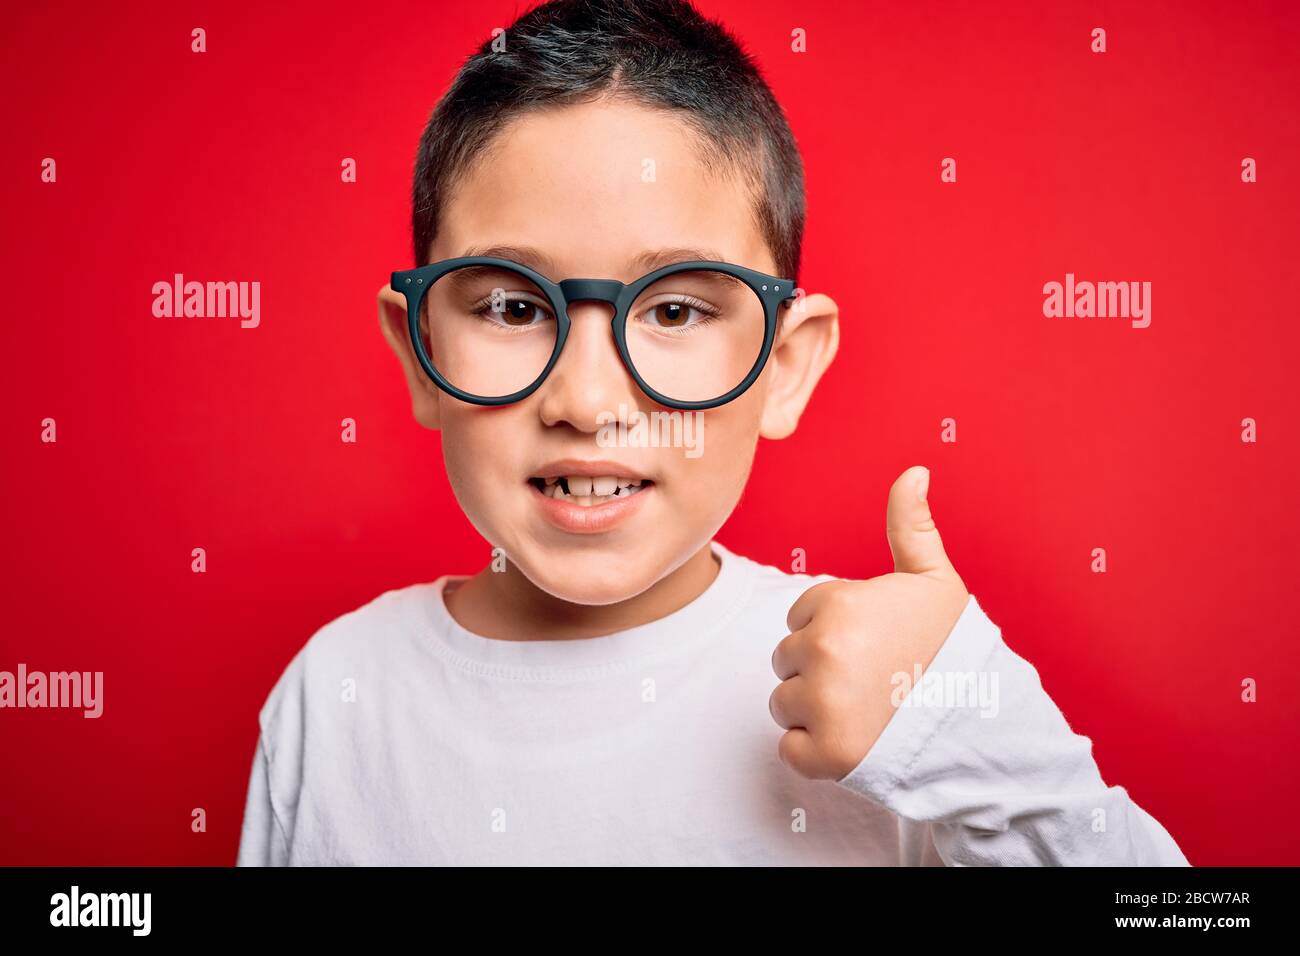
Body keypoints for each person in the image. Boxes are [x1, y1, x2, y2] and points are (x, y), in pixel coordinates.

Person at [236, 0, 1187, 866]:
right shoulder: (337, 697)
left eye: (678, 312)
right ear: (419, 350)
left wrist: (967, 723)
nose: (589, 399)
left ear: (783, 366)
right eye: (513, 309)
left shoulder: (887, 697)